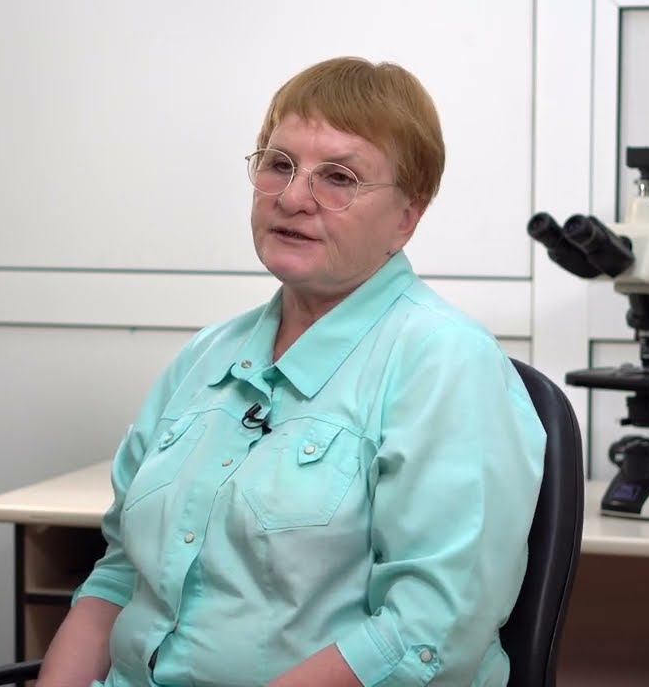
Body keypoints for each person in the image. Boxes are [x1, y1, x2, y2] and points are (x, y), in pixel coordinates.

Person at [37, 57, 546, 687]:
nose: (293, 197)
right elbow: (121, 575)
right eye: (279, 164)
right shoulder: (206, 356)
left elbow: (429, 631)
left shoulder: (446, 363)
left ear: (407, 217)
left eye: (339, 177)